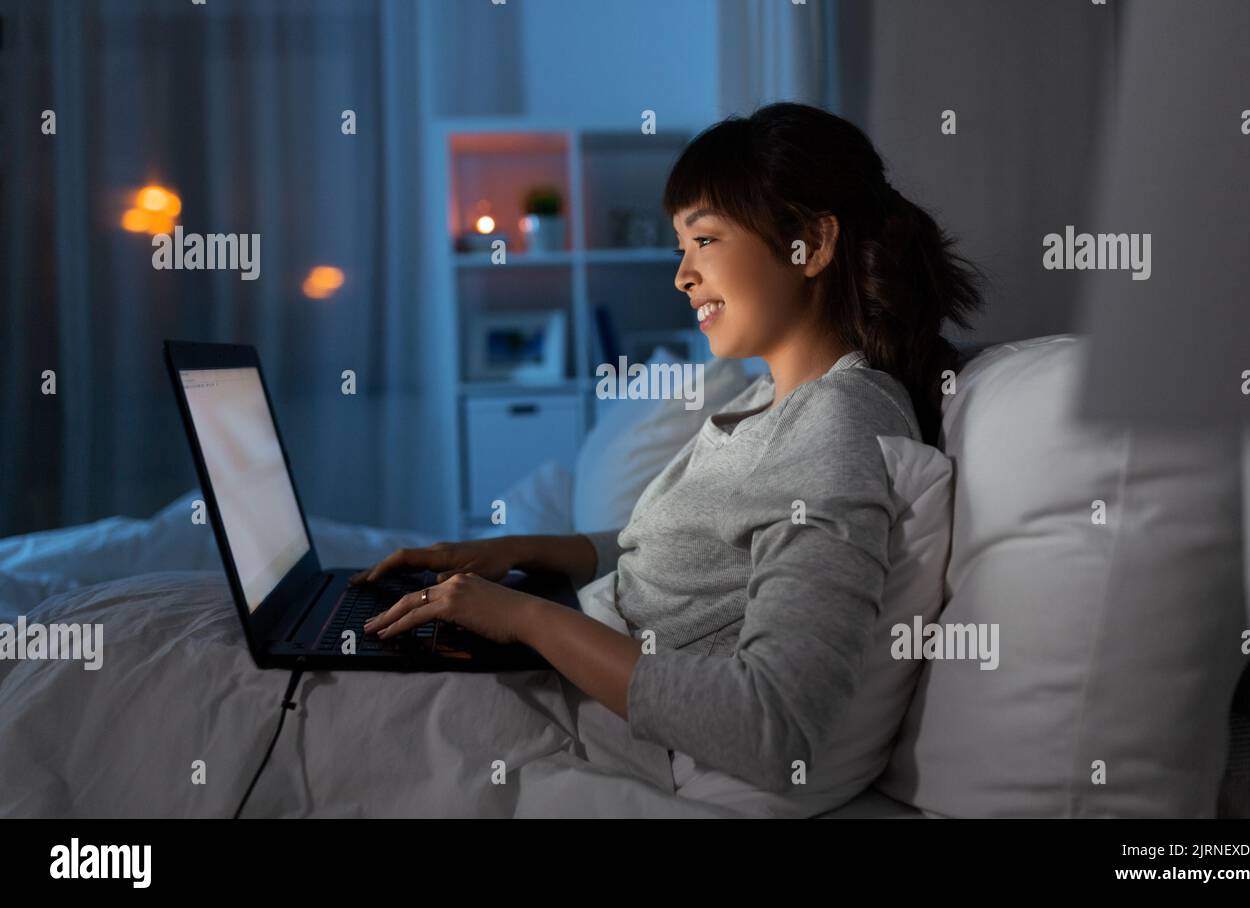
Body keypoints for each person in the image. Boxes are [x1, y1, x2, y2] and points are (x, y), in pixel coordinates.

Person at [355, 102, 984, 805]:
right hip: (575, 659)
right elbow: (692, 560)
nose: (682, 275)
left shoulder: (836, 423)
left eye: (705, 240)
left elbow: (772, 726)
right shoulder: (769, 401)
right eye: (681, 246)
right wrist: (526, 551)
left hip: (600, 717)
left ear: (812, 241)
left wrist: (524, 618)